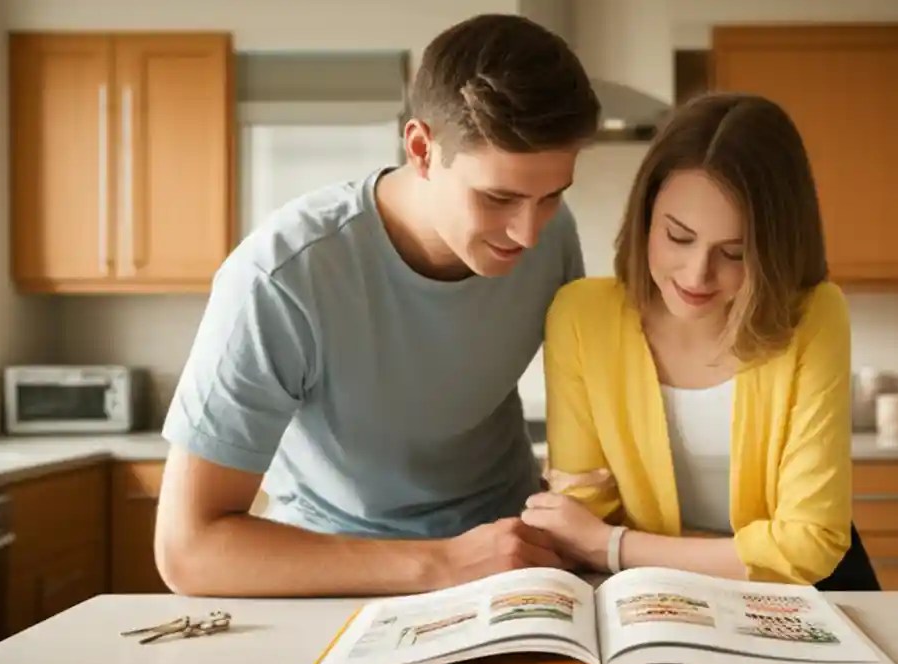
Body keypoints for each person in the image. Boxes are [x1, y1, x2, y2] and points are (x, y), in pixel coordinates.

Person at [155, 14, 600, 597]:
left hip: (514, 565)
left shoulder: (551, 231)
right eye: (498, 197)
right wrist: (442, 564)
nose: (527, 234)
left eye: (550, 197)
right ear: (421, 149)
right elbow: (188, 550)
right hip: (339, 580)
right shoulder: (282, 277)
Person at [522, 92, 864, 585]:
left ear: (775, 253)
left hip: (790, 600)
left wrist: (614, 544)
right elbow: (580, 520)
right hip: (646, 594)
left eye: (734, 252)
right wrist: (738, 551)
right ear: (645, 216)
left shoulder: (813, 315)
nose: (697, 274)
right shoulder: (581, 315)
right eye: (678, 237)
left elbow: (809, 545)